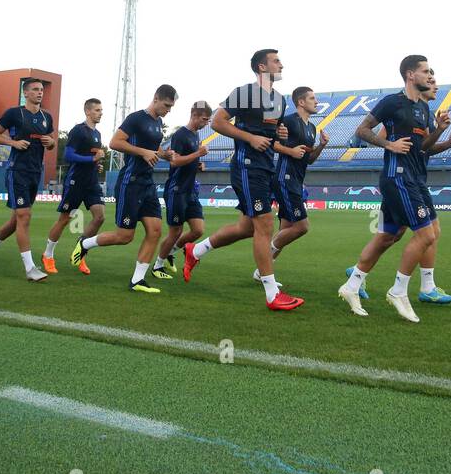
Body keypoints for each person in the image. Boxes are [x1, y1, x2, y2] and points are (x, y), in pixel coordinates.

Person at [182, 49, 304, 311]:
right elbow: (217, 122)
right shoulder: (245, 92)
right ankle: (272, 294)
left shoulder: (280, 99)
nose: (282, 64)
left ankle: (196, 251)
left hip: (265, 167)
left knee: (246, 228)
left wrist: (279, 133)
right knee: (265, 223)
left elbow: (273, 133)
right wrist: (249, 138)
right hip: (247, 166)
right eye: (276, 61)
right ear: (262, 67)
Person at [338, 56, 451, 321]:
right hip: (398, 178)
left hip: (414, 178)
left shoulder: (424, 109)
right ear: (410, 74)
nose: (430, 76)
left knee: (387, 237)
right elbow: (362, 130)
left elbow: (423, 147)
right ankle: (398, 291)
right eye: (426, 71)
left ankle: (352, 285)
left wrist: (439, 131)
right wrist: (389, 145)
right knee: (426, 235)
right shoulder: (392, 102)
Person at [70, 85, 177, 293]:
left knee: (155, 231)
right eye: (166, 105)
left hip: (147, 183)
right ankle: (85, 244)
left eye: (171, 107)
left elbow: (151, 148)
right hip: (131, 182)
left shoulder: (158, 122)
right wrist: (144, 152)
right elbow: (114, 143)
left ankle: (137, 281)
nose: (168, 110)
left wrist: (162, 154)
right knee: (124, 236)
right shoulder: (135, 118)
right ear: (155, 98)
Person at [0, 78, 55, 281]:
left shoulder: (47, 117)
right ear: (26, 93)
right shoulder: (14, 113)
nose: (40, 93)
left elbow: (50, 144)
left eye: (41, 90)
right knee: (24, 216)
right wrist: (13, 143)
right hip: (17, 171)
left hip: (35, 173)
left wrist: (51, 142)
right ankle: (30, 268)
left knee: (16, 220)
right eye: (35, 89)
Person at [42, 98, 106, 275]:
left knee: (99, 217)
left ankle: (80, 252)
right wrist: (91, 159)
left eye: (101, 110)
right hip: (76, 181)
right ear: (88, 111)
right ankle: (47, 255)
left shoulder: (97, 134)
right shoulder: (78, 131)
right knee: (65, 220)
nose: (101, 113)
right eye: (97, 110)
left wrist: (96, 164)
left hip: (92, 181)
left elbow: (90, 157)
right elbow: (69, 155)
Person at [269, 86, 329, 268]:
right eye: (312, 98)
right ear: (301, 102)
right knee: (302, 226)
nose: (316, 101)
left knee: (286, 229)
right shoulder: (288, 121)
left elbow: (308, 159)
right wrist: (290, 151)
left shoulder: (311, 127)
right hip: (285, 178)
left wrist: (321, 146)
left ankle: (263, 272)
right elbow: (272, 144)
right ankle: (264, 255)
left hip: (297, 180)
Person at [152, 100, 212, 279]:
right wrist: (197, 155)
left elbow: (187, 159)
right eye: (204, 119)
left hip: (190, 190)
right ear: (194, 115)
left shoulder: (195, 135)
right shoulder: (181, 135)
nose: (206, 123)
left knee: (198, 230)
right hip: (177, 189)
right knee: (175, 232)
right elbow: (174, 161)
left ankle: (170, 252)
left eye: (208, 120)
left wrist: (197, 163)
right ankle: (157, 266)